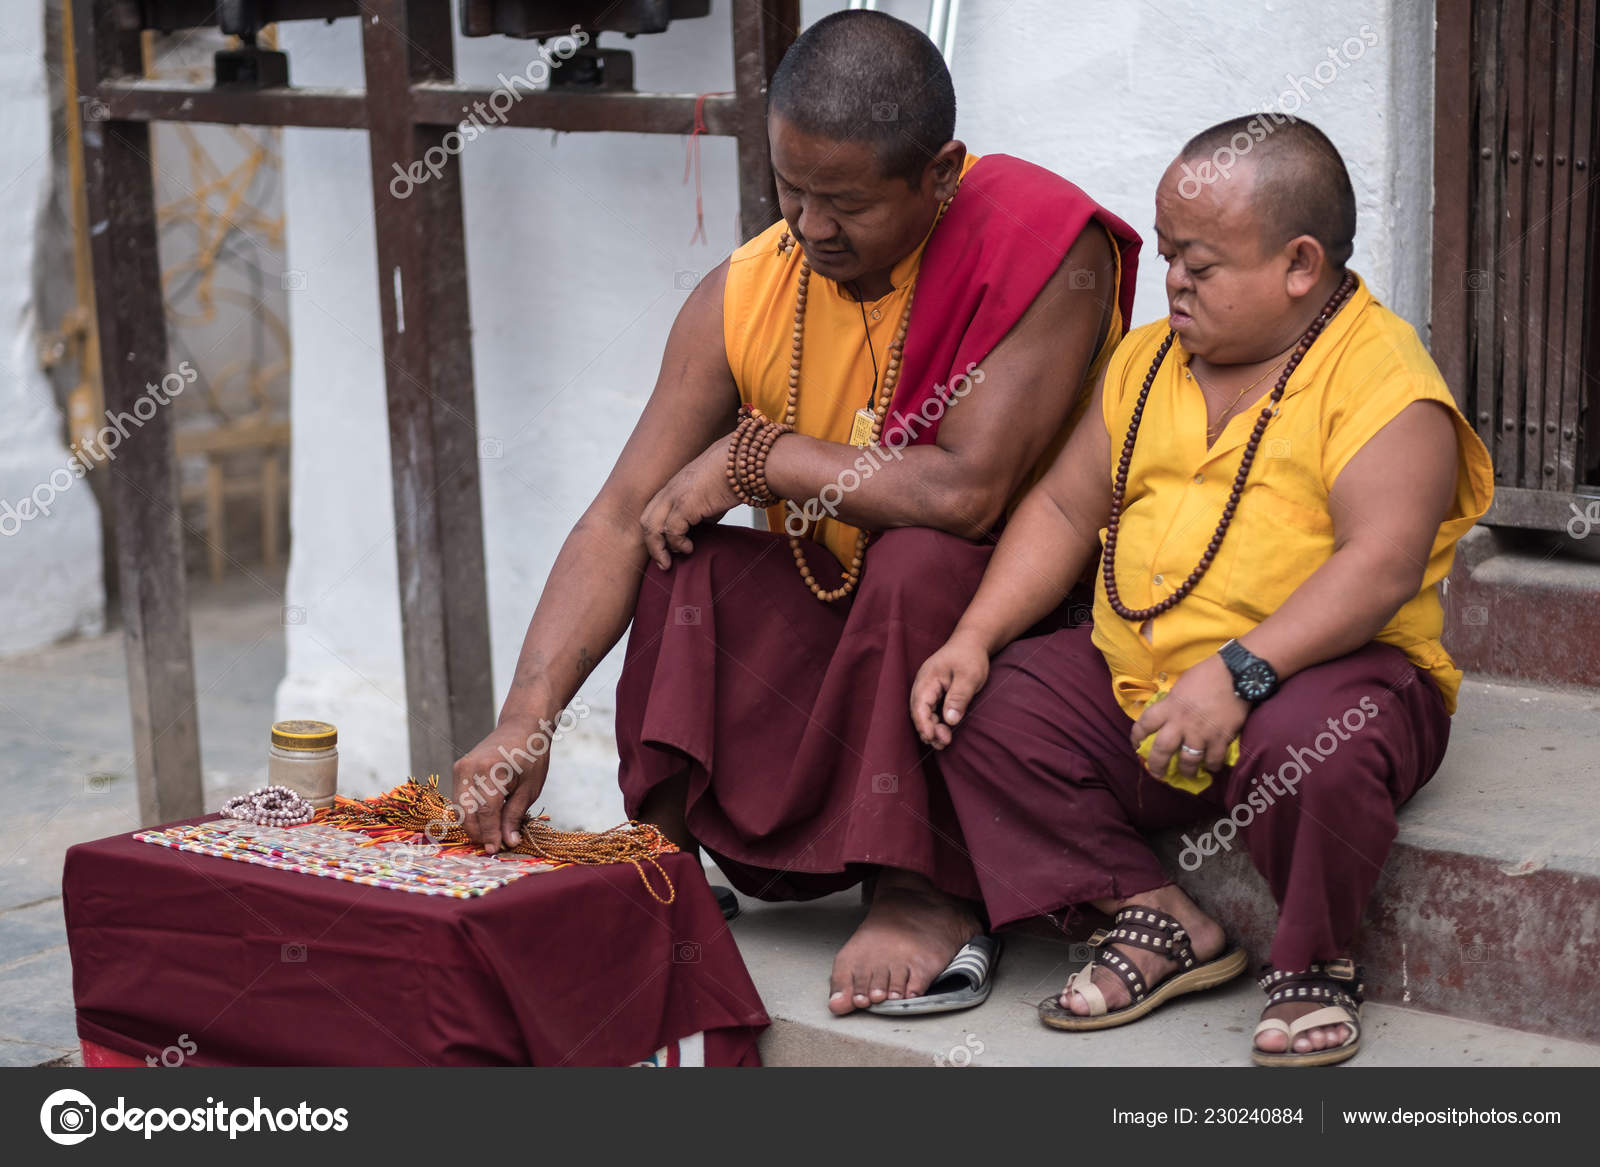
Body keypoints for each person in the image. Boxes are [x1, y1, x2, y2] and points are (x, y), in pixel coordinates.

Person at [451, 9, 1141, 1016]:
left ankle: (923, 889)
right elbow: (615, 516)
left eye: (847, 203)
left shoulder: (1041, 247)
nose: (811, 229)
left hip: (1010, 632)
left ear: (940, 173)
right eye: (791, 188)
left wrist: (759, 459)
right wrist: (526, 718)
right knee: (678, 551)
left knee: (914, 554)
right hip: (848, 627)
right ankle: (667, 854)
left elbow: (967, 491)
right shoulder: (748, 292)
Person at [911, 114, 1492, 1065]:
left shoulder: (1385, 380)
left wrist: (1240, 673)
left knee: (1315, 739)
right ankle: (1157, 914)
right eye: (1169, 249)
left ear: (1301, 265)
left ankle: (1314, 962)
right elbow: (1063, 510)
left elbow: (1379, 565)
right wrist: (973, 634)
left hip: (1322, 681)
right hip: (1145, 688)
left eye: (1201, 263)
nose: (1172, 279)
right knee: (978, 706)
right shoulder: (1145, 364)